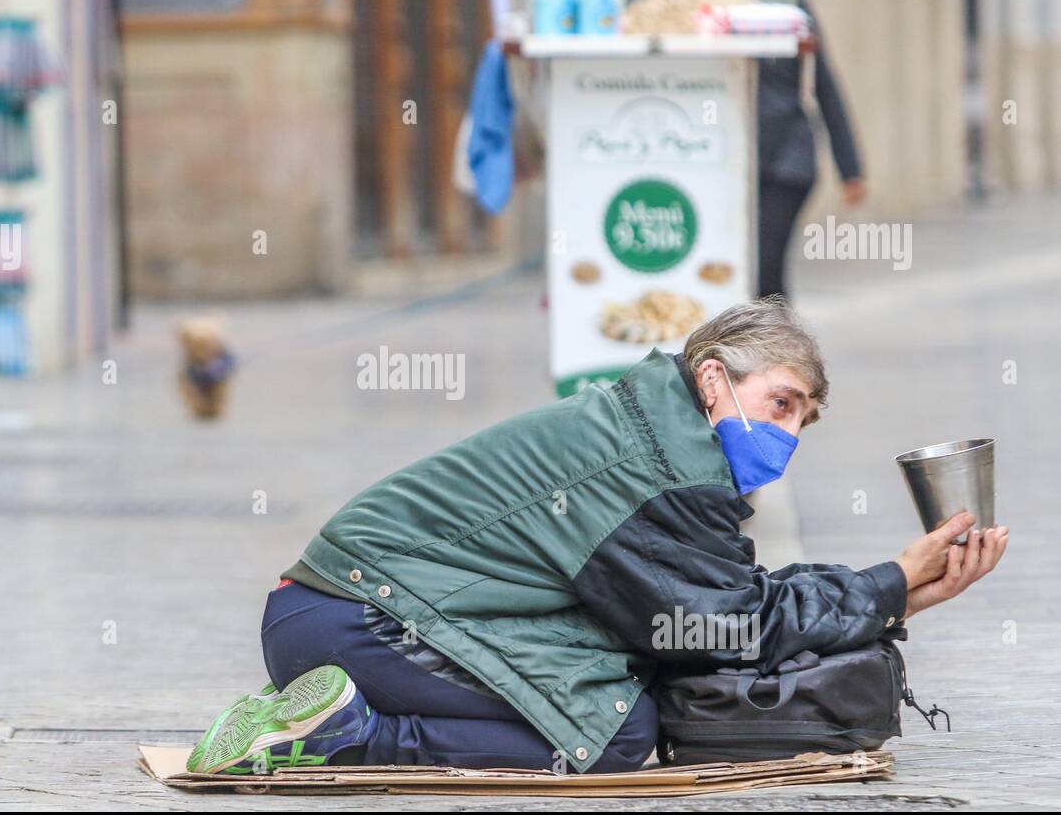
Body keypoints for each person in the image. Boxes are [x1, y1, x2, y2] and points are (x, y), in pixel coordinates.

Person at [189, 300, 1008, 776]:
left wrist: (895, 591)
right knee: (617, 730)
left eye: (805, 419)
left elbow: (708, 607)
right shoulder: (661, 466)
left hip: (337, 606)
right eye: (783, 403)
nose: (791, 432)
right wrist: (890, 585)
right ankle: (344, 737)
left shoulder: (656, 430)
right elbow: (722, 630)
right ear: (715, 378)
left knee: (620, 673)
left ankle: (313, 713)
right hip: (360, 620)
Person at [757, 1, 864, 300]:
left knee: (766, 267)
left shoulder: (792, 12)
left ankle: (778, 343)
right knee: (748, 268)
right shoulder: (719, 12)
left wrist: (850, 168)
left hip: (788, 162)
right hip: (737, 159)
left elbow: (825, 88)